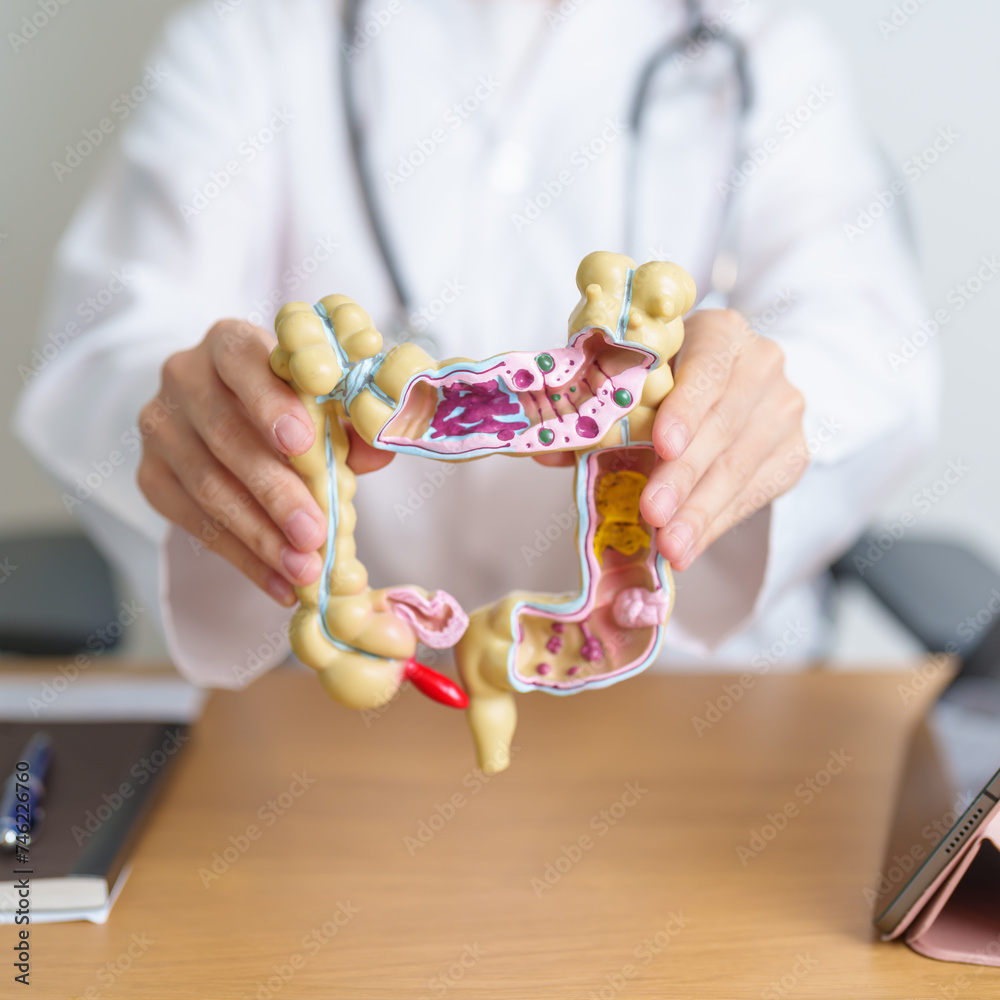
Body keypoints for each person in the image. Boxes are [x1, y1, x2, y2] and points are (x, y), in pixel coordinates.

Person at [15, 0, 937, 688]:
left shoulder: (766, 42)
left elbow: (875, 352)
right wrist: (190, 414)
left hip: (695, 726)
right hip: (328, 734)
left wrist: (771, 409)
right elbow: (113, 342)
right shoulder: (254, 31)